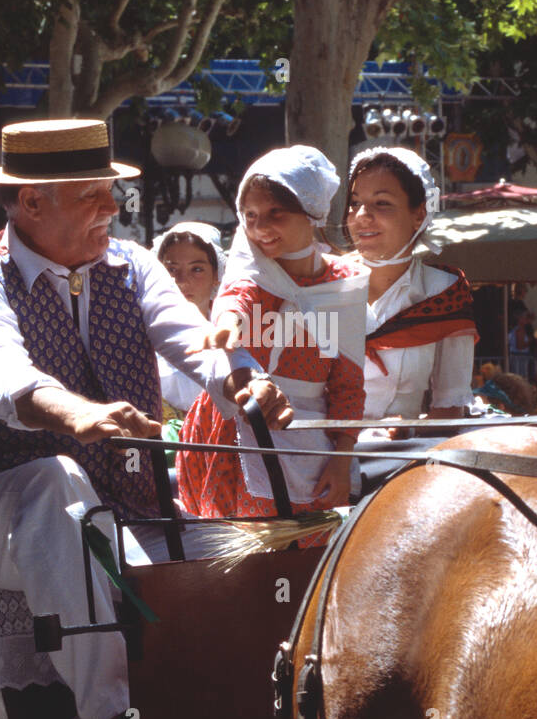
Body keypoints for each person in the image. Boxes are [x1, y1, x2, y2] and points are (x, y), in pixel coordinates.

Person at [0, 118, 290, 719]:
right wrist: (73, 414)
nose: (112, 206)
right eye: (92, 193)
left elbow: (193, 339)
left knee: (243, 561)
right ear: (33, 201)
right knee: (55, 479)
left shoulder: (132, 265)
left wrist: (244, 382)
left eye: (110, 191)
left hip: (130, 507)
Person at [180, 145, 367, 520]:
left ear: (312, 212)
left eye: (275, 213)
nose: (260, 226)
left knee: (307, 554)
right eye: (250, 214)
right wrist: (228, 327)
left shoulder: (345, 283)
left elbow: (348, 384)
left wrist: (342, 457)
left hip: (313, 435)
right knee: (244, 556)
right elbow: (235, 299)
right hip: (240, 424)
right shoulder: (252, 270)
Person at [345, 147, 477, 431]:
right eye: (355, 203)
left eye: (381, 203)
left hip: (402, 459)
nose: (361, 216)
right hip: (322, 455)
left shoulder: (445, 293)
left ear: (419, 215)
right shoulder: (322, 286)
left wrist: (411, 429)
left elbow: (450, 407)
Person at [152, 221, 225, 416]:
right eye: (172, 269)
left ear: (216, 275)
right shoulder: (143, 334)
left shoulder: (229, 333)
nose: (182, 281)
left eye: (197, 269)